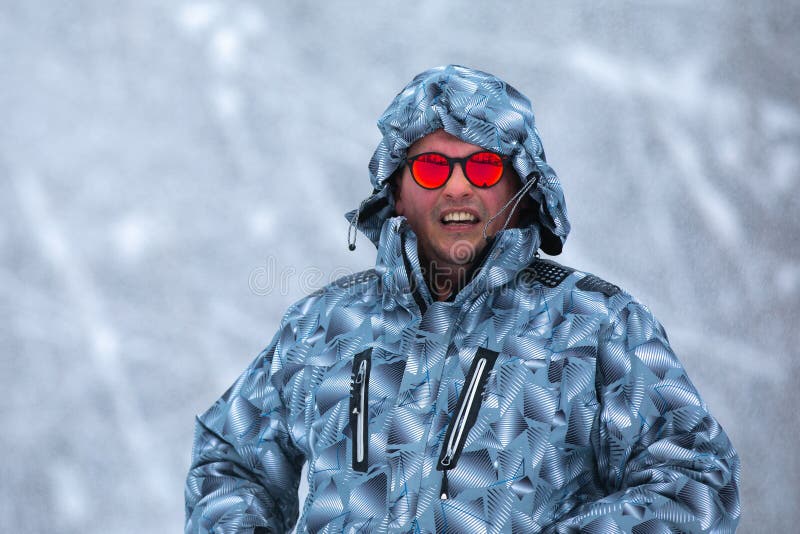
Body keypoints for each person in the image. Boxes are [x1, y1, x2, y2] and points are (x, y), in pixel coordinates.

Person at [185, 65, 740, 533]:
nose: (457, 186)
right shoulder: (325, 326)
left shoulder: (596, 327)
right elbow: (231, 460)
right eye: (431, 167)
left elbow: (694, 479)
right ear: (395, 192)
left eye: (483, 165)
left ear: (522, 192)